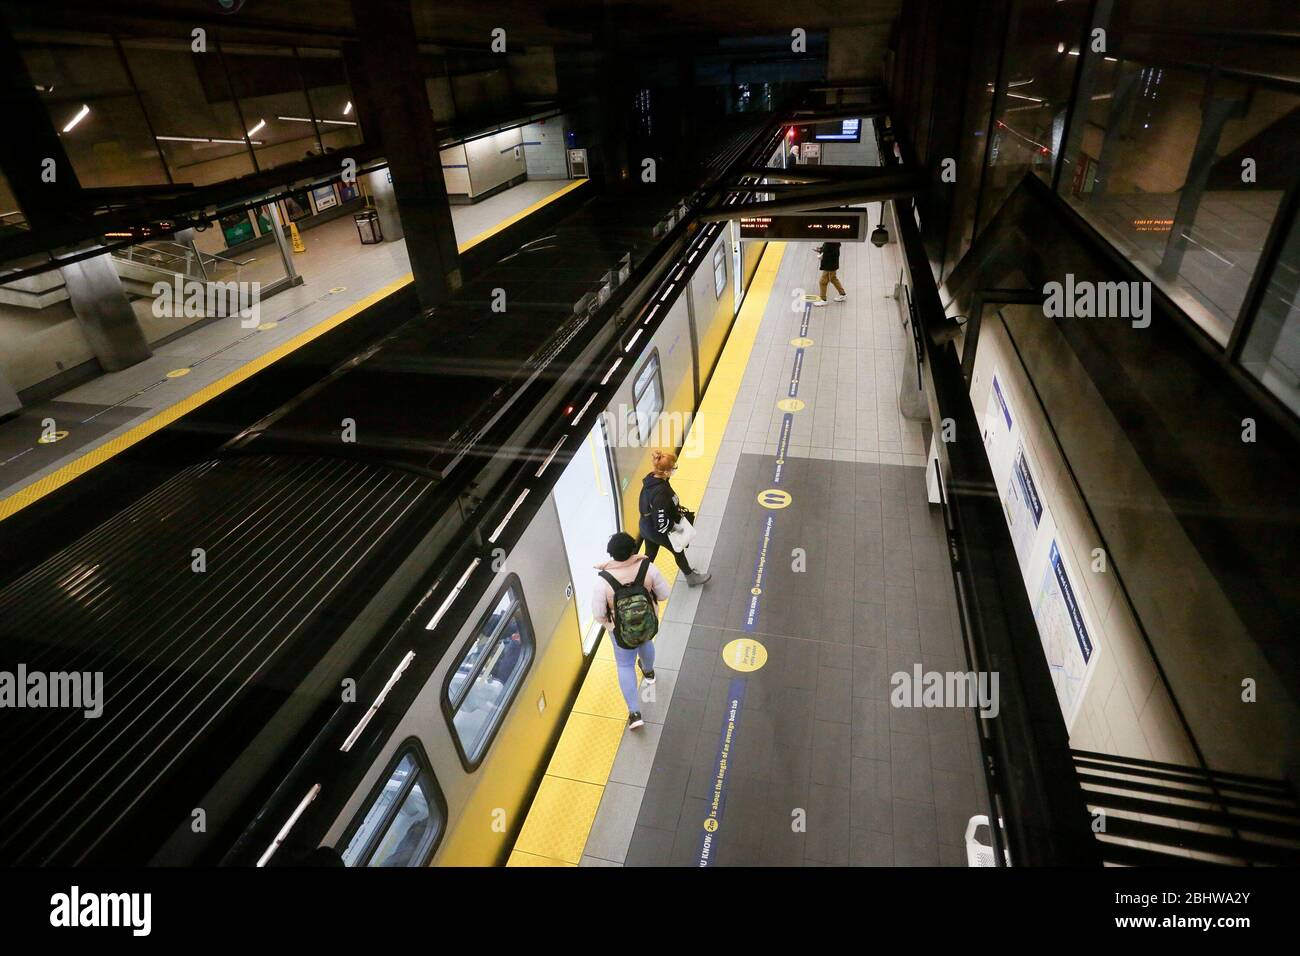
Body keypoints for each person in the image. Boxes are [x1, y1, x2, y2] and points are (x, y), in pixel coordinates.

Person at [593, 532, 671, 729]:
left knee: (625, 665)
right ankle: (649, 673)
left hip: (621, 631)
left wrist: (612, 626)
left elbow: (598, 614)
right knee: (646, 643)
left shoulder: (603, 581)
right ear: (633, 549)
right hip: (648, 623)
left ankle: (635, 714)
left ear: (611, 554)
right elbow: (663, 594)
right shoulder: (648, 567)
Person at [639, 449, 710, 587]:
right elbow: (661, 522)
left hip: (646, 526)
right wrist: (676, 527)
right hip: (656, 530)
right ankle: (691, 578)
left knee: (650, 555)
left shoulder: (652, 480)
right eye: (673, 468)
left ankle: (639, 581)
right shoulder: (661, 492)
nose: (675, 469)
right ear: (665, 472)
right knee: (678, 550)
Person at [812, 241, 846, 306]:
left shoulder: (831, 242)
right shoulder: (833, 240)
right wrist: (820, 250)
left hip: (830, 265)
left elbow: (828, 251)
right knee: (833, 279)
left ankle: (823, 299)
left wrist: (821, 255)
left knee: (822, 282)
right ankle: (842, 294)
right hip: (832, 264)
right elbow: (826, 248)